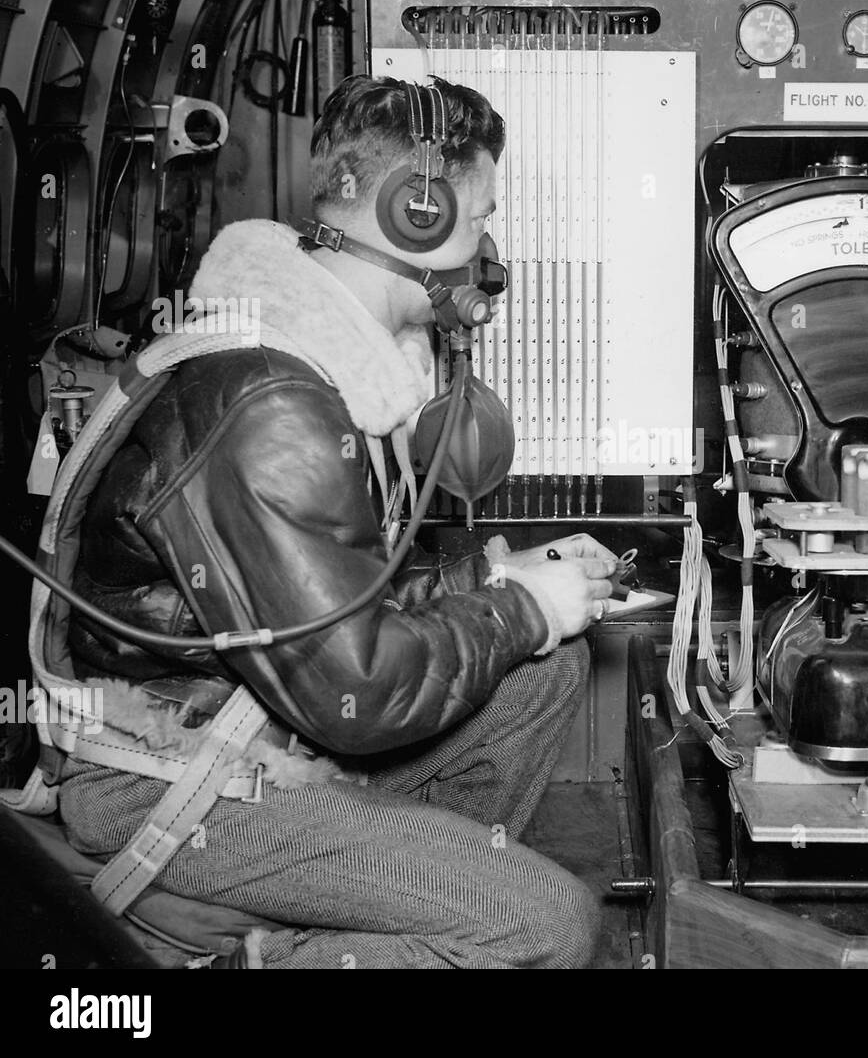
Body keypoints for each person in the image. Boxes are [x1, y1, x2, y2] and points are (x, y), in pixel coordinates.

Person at [55, 74, 615, 968]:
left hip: (261, 721)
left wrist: (504, 583)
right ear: (417, 214)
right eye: (479, 218)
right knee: (550, 923)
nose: (487, 250)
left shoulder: (312, 358)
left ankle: (408, 905)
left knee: (544, 669)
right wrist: (523, 608)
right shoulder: (271, 405)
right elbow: (358, 693)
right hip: (175, 774)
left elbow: (337, 592)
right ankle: (299, 948)